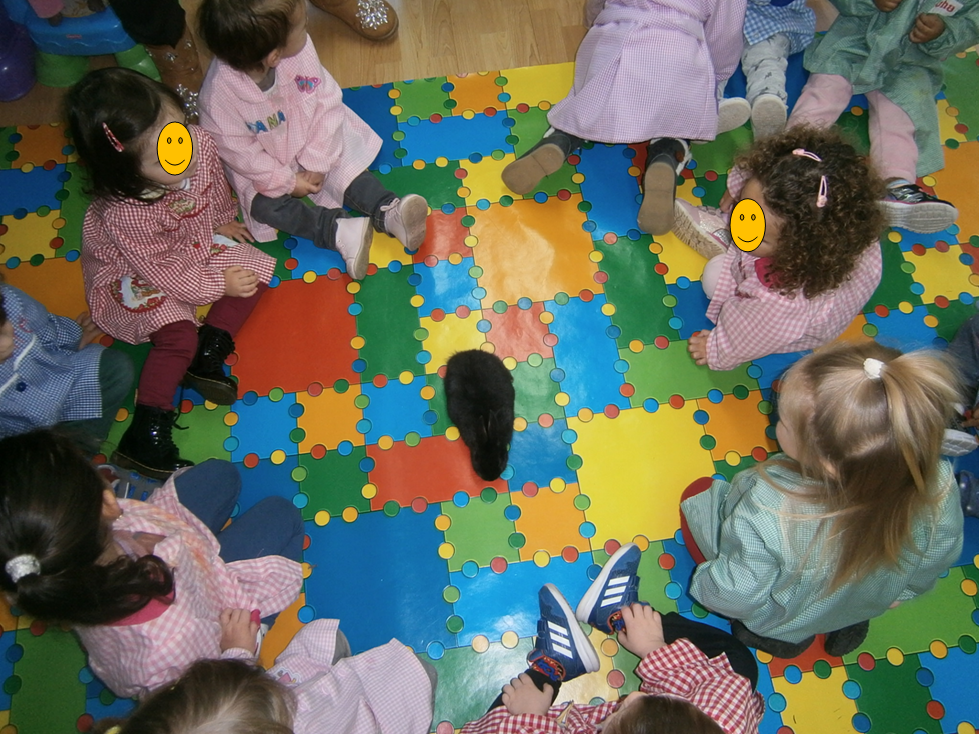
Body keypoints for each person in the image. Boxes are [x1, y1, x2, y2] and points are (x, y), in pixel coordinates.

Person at [680, 342, 964, 658]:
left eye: (783, 421)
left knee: (698, 498)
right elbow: (936, 558)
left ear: (827, 463)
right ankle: (848, 622)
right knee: (848, 599)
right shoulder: (938, 485)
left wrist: (706, 586)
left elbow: (736, 593)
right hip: (864, 599)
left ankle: (777, 638)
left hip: (788, 613)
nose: (777, 421)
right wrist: (901, 593)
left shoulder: (768, 509)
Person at [67, 67, 276, 479]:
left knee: (253, 268)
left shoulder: (197, 144)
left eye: (178, 134)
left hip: (188, 243)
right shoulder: (125, 211)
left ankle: (208, 349)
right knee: (178, 334)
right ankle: (145, 432)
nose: (186, 152)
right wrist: (217, 284)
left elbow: (214, 188)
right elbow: (162, 270)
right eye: (165, 155)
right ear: (126, 172)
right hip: (132, 271)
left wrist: (221, 221)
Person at [0, 430, 304, 699]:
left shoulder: (58, 571)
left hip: (162, 559)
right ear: (108, 502)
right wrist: (238, 651)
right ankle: (255, 631)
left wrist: (133, 540)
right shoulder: (171, 642)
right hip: (215, 621)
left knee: (221, 474)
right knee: (282, 514)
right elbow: (211, 691)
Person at [197, 0, 429, 281]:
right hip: (265, 166)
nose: (307, 29)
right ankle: (338, 230)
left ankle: (388, 211)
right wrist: (286, 181)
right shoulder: (219, 97)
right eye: (302, 26)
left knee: (344, 163)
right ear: (274, 56)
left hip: (314, 134)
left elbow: (327, 102)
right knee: (263, 205)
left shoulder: (299, 53)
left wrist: (318, 160)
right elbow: (241, 155)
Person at [500, 0, 749, 236]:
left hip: (614, 38)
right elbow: (725, 34)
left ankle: (561, 138)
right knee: (679, 117)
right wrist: (717, 74)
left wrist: (595, 22)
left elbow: (596, 5)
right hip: (678, 53)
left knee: (589, 101)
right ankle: (667, 153)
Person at [462, 544, 764, 734]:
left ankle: (553, 666)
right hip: (693, 714)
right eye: (644, 700)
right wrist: (653, 648)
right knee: (740, 666)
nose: (633, 695)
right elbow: (725, 689)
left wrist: (532, 717)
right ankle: (621, 617)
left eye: (628, 708)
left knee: (506, 716)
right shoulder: (718, 722)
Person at [673, 125, 885, 371]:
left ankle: (728, 250)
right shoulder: (841, 220)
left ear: (799, 250)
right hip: (828, 277)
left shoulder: (781, 300)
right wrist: (739, 191)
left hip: (788, 322)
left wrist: (715, 349)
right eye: (743, 205)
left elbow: (748, 336)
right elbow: (766, 180)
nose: (738, 228)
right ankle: (744, 248)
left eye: (758, 236)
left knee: (713, 275)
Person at [787, 0, 979, 234]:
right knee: (823, 95)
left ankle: (896, 186)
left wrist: (943, 32)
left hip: (912, 62)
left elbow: (971, 26)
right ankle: (789, 157)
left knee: (902, 117)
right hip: (853, 42)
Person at [89, 619, 438, 734]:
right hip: (346, 718)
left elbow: (227, 694)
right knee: (421, 674)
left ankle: (324, 669)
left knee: (323, 637)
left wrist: (237, 653)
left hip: (299, 683)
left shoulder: (224, 711)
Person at [0, 280, 133, 455]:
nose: (8, 340)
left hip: (59, 381)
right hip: (20, 438)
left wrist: (76, 337)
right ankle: (61, 464)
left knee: (116, 367)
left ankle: (77, 454)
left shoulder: (9, 297)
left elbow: (47, 328)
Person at [733, 0, 816, 139]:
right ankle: (709, 110)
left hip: (767, 22)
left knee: (766, 58)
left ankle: (768, 100)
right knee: (707, 63)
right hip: (717, 22)